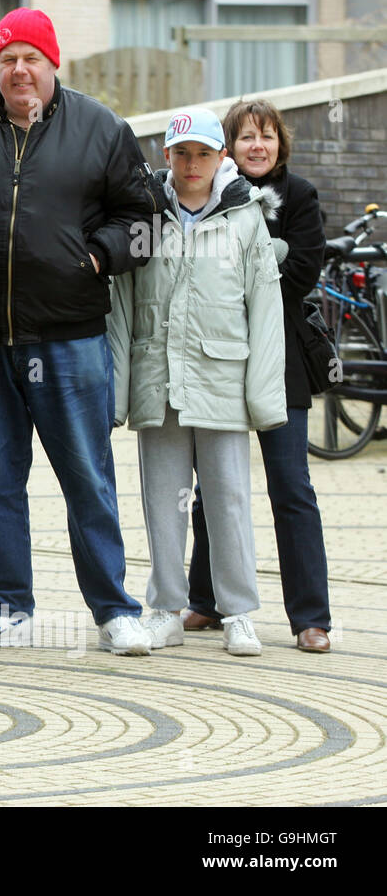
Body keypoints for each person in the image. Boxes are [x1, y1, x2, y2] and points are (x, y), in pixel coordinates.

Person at [0, 8, 157, 655]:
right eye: (8, 58)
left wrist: (96, 256)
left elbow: (143, 221)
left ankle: (115, 608)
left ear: (52, 63)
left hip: (72, 340)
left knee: (87, 476)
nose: (20, 69)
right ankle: (5, 603)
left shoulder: (102, 130)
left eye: (31, 57)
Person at [109, 106, 285, 657]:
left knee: (229, 499)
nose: (192, 164)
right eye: (182, 153)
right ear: (167, 156)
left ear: (221, 158)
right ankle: (164, 609)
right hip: (158, 379)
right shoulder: (146, 218)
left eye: (204, 154)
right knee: (162, 500)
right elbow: (122, 306)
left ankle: (239, 613)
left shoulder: (245, 218)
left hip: (222, 379)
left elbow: (266, 308)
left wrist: (263, 394)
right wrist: (119, 389)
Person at [184, 99, 334, 653]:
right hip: (219, 359)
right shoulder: (212, 197)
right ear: (230, 146)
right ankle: (207, 600)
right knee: (210, 489)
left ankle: (311, 616)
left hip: (281, 361)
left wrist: (242, 276)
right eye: (246, 136)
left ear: (279, 144)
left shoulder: (300, 198)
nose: (257, 146)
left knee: (291, 486)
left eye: (267, 136)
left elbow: (299, 272)